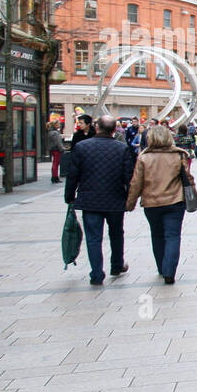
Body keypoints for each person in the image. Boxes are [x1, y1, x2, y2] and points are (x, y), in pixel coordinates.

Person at [64, 115, 136, 286]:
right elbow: (129, 177)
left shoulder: (81, 147)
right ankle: (117, 265)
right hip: (115, 199)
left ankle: (96, 273)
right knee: (116, 233)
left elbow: (72, 175)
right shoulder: (122, 149)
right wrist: (130, 198)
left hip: (90, 200)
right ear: (114, 130)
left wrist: (69, 196)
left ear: (97, 128)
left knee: (93, 237)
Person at [127, 125, 195, 285]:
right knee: (173, 236)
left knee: (157, 235)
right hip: (175, 201)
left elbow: (136, 183)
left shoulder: (144, 157)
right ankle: (169, 271)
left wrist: (130, 203)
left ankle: (162, 267)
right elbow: (188, 178)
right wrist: (193, 197)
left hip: (152, 203)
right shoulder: (178, 155)